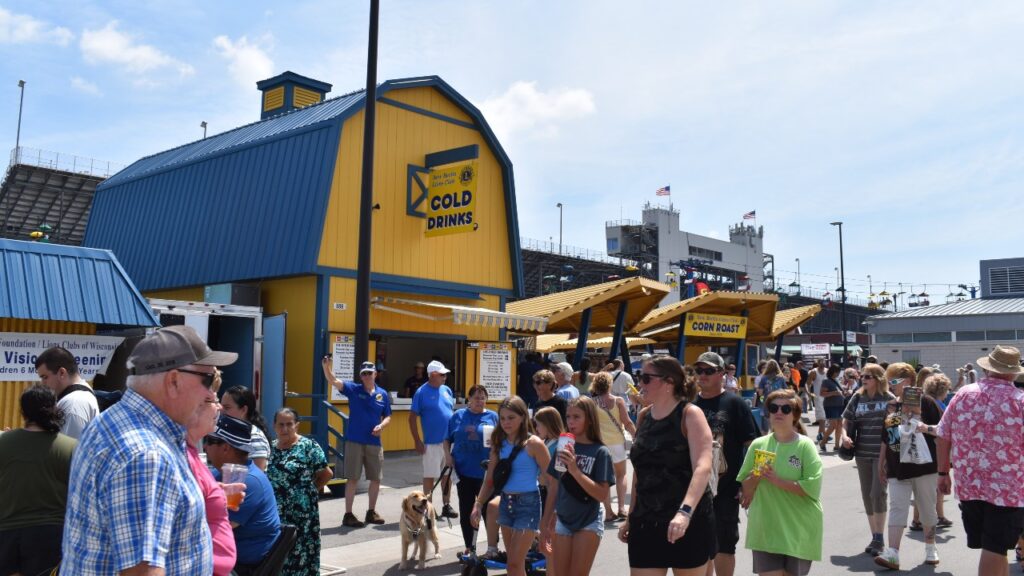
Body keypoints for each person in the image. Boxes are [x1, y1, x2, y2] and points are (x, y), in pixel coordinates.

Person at [62, 325, 237, 575]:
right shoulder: (146, 454)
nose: (211, 393)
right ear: (173, 380)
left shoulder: (114, 421)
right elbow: (142, 571)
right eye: (207, 380)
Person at [619, 356, 717, 575]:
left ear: (668, 382)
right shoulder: (644, 416)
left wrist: (685, 512)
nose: (640, 384)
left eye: (645, 378)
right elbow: (640, 471)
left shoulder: (690, 414)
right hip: (646, 521)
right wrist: (631, 516)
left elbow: (702, 467)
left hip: (687, 521)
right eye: (639, 377)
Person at [937, 345, 1024, 576]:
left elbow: (943, 435)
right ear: (1014, 372)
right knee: (995, 548)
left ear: (988, 369)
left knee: (996, 549)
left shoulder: (963, 395)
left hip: (969, 486)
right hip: (1008, 489)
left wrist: (943, 473)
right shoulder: (1019, 400)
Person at [738, 389, 823, 576]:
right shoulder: (758, 444)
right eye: (774, 407)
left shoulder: (805, 446)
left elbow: (811, 487)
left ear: (795, 415)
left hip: (798, 529)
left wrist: (776, 480)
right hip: (766, 529)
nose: (779, 412)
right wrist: (756, 476)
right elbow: (744, 485)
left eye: (786, 409)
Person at [693, 351, 759, 576]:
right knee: (699, 547)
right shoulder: (689, 404)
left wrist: (750, 481)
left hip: (726, 489)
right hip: (693, 490)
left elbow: (756, 445)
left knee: (723, 546)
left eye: (709, 371)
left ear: (722, 373)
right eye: (699, 370)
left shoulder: (734, 403)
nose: (703, 375)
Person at [0, 386, 77, 576]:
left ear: (23, 411)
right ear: (54, 408)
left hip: (7, 532)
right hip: (50, 536)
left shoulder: (4, 443)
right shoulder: (71, 447)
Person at [470, 396, 551, 576]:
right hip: (506, 503)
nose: (506, 422)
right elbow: (490, 479)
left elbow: (553, 481)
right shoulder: (498, 443)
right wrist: (478, 504)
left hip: (529, 504)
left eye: (511, 417)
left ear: (523, 417)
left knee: (514, 563)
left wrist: (551, 515)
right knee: (513, 565)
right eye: (503, 418)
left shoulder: (535, 444)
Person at [874, 362, 942, 570]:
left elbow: (941, 430)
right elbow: (888, 437)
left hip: (924, 465)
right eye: (889, 381)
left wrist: (921, 422)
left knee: (927, 509)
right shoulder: (891, 405)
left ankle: (930, 547)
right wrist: (881, 462)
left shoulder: (927, 402)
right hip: (898, 466)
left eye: (895, 380)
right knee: (897, 508)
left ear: (910, 381)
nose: (892, 385)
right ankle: (893, 552)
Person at [542, 397, 614, 576]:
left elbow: (601, 494)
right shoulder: (563, 446)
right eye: (568, 417)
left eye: (576, 417)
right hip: (563, 519)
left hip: (588, 520)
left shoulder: (600, 451)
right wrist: (544, 522)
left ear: (589, 419)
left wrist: (575, 470)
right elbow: (554, 486)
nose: (571, 422)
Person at [206, 413, 282, 576]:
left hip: (244, 567)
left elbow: (218, 526)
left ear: (225, 448)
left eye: (209, 441)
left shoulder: (250, 481)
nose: (205, 447)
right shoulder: (218, 474)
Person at [322, 358, 393, 527]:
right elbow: (333, 381)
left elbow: (388, 416)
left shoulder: (382, 394)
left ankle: (371, 512)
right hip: (354, 441)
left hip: (374, 442)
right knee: (352, 478)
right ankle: (348, 514)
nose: (367, 376)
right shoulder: (354, 389)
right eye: (364, 374)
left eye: (370, 373)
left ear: (375, 374)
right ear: (361, 377)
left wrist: (381, 426)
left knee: (376, 478)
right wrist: (326, 367)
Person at [839, 362, 896, 557]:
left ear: (878, 379)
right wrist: (844, 436)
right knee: (867, 495)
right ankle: (875, 536)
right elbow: (846, 421)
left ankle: (879, 537)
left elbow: (895, 429)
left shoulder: (890, 399)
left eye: (867, 376)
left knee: (877, 493)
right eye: (862, 376)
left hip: (882, 455)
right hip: (862, 453)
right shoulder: (857, 397)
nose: (863, 379)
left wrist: (891, 454)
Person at [185, 369, 237, 576]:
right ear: (194, 408)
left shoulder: (191, 451)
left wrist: (216, 493)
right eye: (213, 400)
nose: (219, 407)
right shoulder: (182, 455)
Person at [268, 407, 332, 576]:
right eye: (280, 424)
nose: (285, 429)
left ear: (297, 425)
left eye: (289, 424)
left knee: (301, 557)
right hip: (275, 513)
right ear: (274, 426)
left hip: (302, 515)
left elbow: (326, 474)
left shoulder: (308, 446)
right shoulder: (270, 449)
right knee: (277, 557)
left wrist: (309, 490)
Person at [444, 384, 498, 556]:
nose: (479, 401)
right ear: (469, 399)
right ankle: (470, 546)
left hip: (486, 472)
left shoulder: (493, 417)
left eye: (483, 398)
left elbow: (501, 441)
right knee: (466, 509)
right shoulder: (458, 415)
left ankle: (492, 547)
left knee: (489, 510)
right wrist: (448, 456)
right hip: (464, 471)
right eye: (476, 397)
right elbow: (447, 439)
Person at [409, 360, 457, 518]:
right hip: (431, 442)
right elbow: (412, 418)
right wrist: (417, 440)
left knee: (447, 475)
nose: (445, 377)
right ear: (433, 375)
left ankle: (446, 504)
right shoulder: (421, 392)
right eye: (442, 375)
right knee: (430, 475)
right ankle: (428, 507)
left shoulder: (447, 390)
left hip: (448, 441)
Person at [589, 371, 637, 521]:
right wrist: (637, 436)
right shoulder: (618, 401)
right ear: (610, 385)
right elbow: (627, 422)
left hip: (600, 445)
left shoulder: (592, 403)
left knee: (603, 478)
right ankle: (622, 507)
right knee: (621, 474)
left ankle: (608, 511)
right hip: (617, 442)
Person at [911, 373, 954, 532]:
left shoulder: (924, 401)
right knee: (931, 487)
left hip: (922, 447)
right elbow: (940, 429)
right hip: (932, 448)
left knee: (925, 487)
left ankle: (924, 518)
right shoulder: (935, 404)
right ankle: (925, 518)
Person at [34, 346, 99, 439]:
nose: (42, 383)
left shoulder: (73, 404)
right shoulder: (77, 398)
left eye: (45, 377)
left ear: (62, 373)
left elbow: (67, 451)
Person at [533, 406, 565, 574]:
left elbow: (557, 477)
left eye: (538, 425)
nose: (536, 429)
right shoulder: (546, 442)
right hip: (543, 492)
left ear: (548, 424)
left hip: (553, 496)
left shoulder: (559, 444)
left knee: (551, 540)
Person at [221, 385, 272, 470]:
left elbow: (255, 476)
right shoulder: (228, 433)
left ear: (244, 410)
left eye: (227, 408)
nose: (221, 412)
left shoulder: (255, 437)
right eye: (221, 407)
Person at [819, 364, 845, 452]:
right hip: (831, 405)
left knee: (839, 425)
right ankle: (822, 442)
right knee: (833, 424)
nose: (838, 374)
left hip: (840, 405)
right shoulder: (826, 381)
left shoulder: (836, 380)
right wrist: (834, 393)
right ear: (833, 371)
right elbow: (822, 393)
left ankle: (837, 445)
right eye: (837, 372)